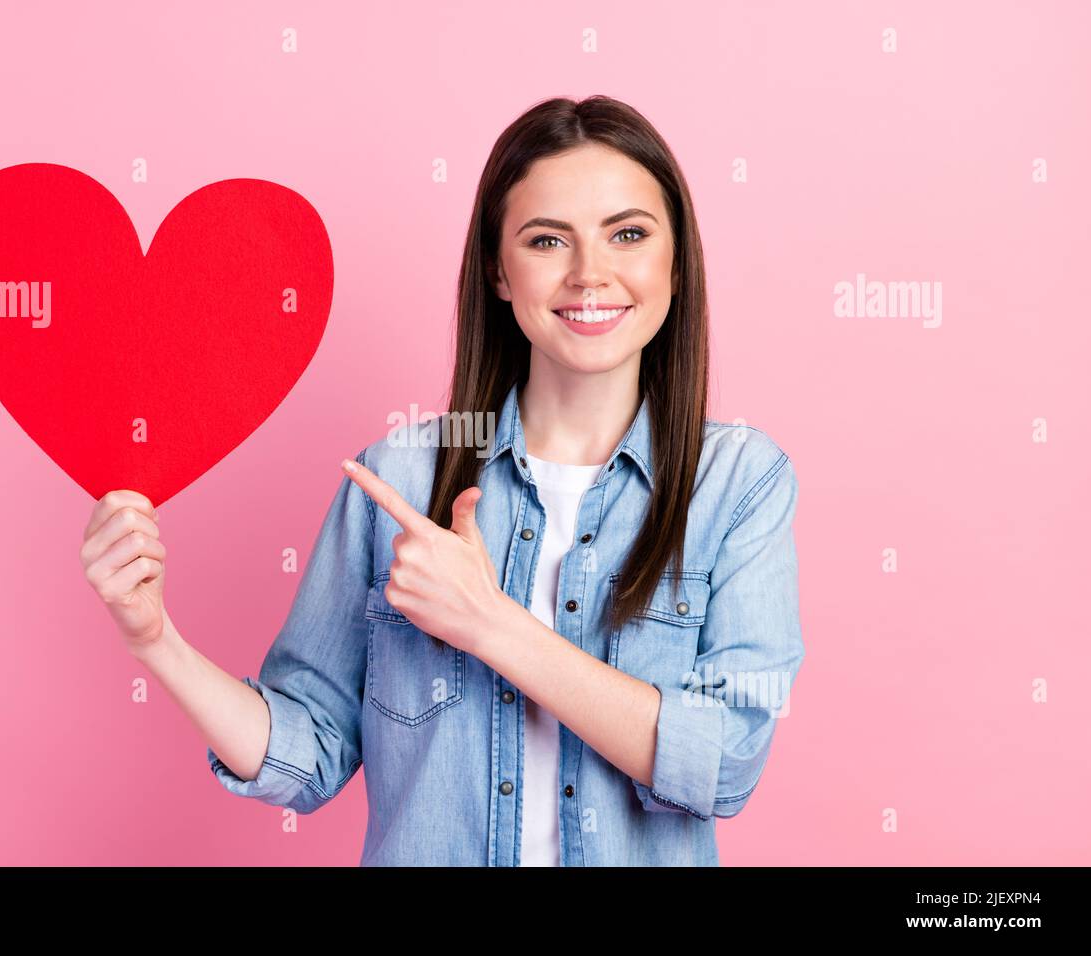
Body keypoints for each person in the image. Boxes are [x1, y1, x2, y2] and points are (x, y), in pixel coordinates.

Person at [79, 94, 804, 866]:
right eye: (547, 239)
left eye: (628, 234)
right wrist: (155, 639)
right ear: (498, 269)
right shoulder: (398, 477)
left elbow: (723, 762)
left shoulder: (738, 482)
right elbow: (308, 752)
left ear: (674, 260)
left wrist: (487, 622)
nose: (591, 274)